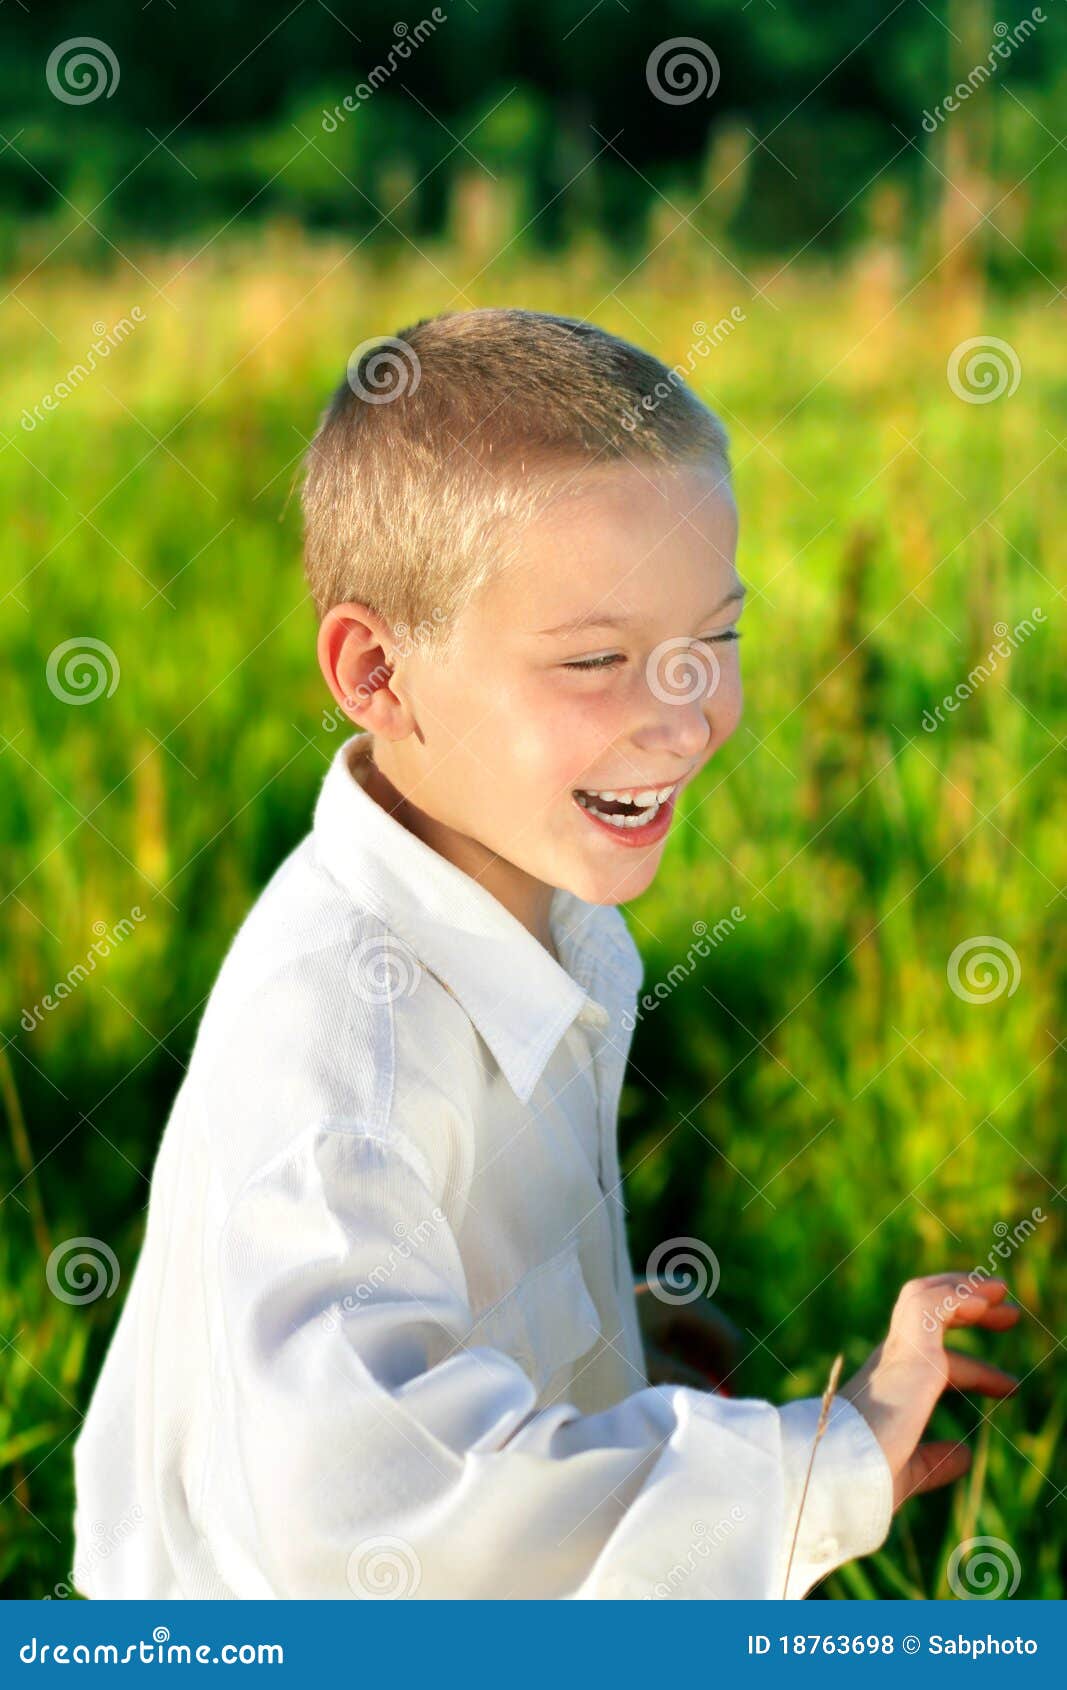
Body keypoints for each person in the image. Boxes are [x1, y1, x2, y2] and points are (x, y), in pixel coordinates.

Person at [71, 308, 1019, 1600]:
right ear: (378, 672)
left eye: (717, 641)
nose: (685, 714)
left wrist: (610, 1335)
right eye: (597, 660)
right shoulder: (349, 1040)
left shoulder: (538, 910)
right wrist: (815, 1463)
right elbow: (377, 1522)